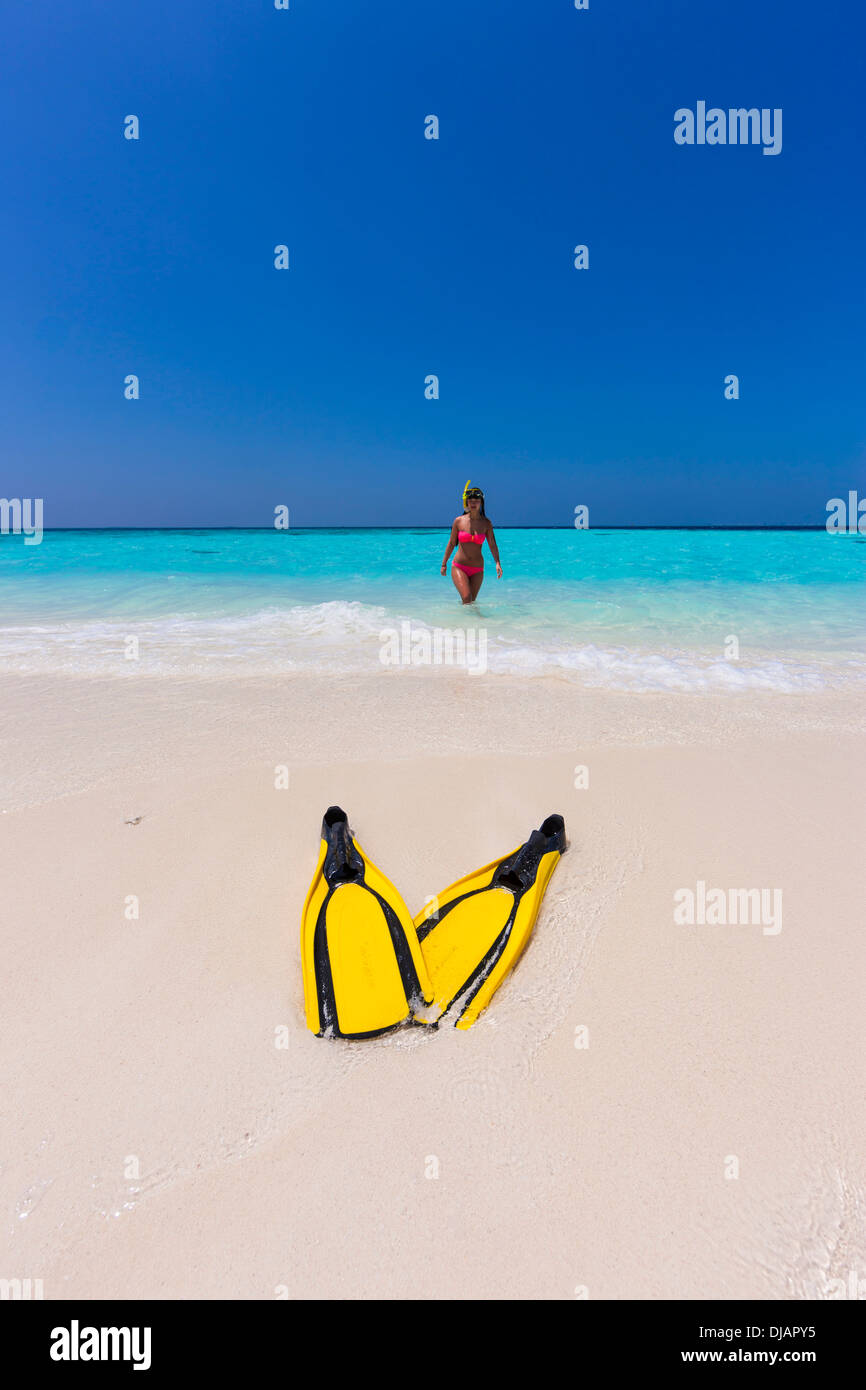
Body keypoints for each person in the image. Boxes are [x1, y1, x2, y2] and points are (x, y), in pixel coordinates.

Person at [441, 480, 502, 603]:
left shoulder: (486, 523)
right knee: (466, 598)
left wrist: (497, 563)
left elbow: (492, 544)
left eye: (477, 501)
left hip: (477, 569)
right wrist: (444, 564)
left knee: (471, 603)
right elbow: (452, 543)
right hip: (459, 567)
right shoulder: (458, 521)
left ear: (481, 503)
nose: (473, 503)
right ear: (466, 502)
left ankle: (467, 622)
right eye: (471, 501)